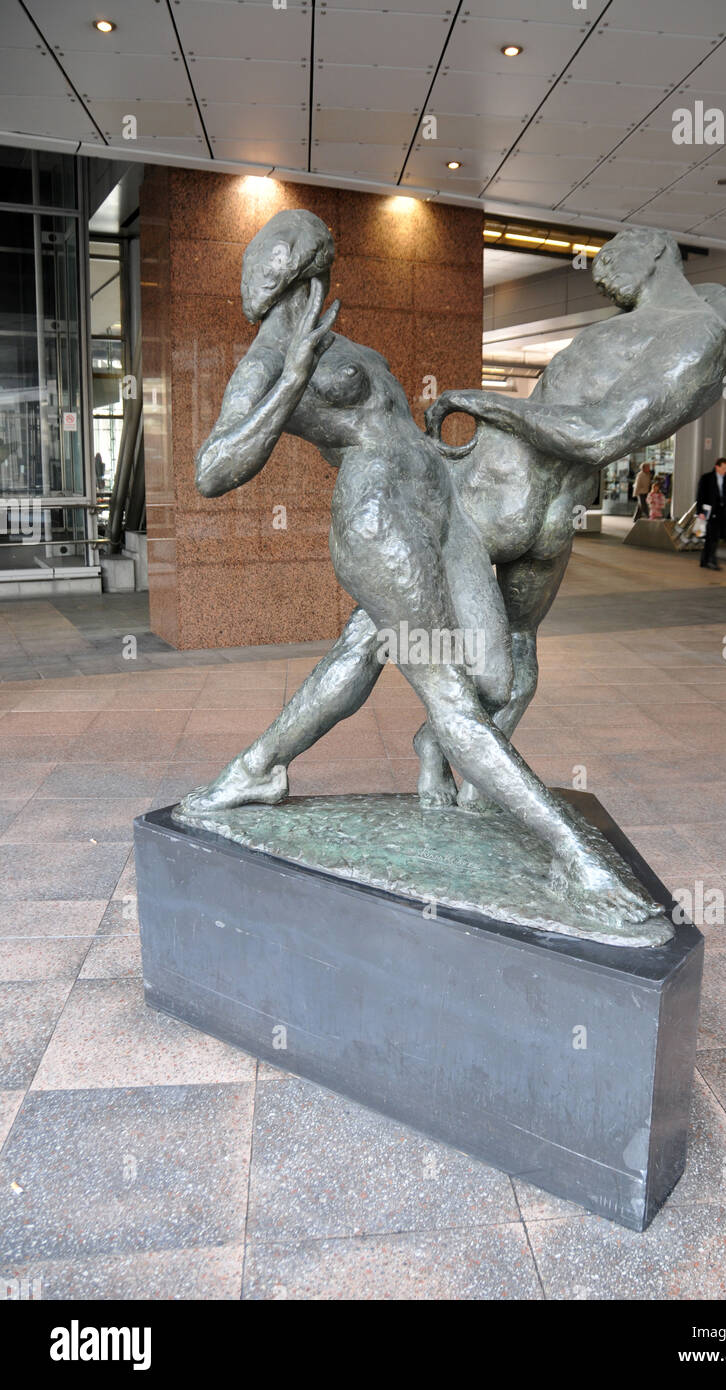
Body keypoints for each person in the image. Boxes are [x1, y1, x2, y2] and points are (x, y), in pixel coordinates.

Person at [180, 209, 658, 929]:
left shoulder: (349, 342)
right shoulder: (264, 364)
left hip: (439, 505)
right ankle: (574, 856)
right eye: (311, 263)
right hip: (380, 518)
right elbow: (212, 473)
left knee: (492, 676)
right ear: (280, 279)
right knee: (455, 694)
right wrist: (292, 382)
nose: (321, 275)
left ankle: (254, 769)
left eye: (324, 260)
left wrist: (456, 459)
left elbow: (397, 428)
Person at [696, 456, 726, 570]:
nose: (725, 470)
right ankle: (712, 560)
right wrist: (700, 512)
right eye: (723, 468)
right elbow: (700, 496)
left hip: (722, 511)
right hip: (710, 511)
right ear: (717, 467)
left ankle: (705, 560)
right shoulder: (706, 478)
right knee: (712, 537)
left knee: (712, 537)